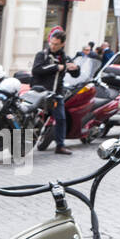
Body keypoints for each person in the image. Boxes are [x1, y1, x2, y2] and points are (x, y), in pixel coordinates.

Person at [31, 28, 79, 156]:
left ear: (62, 44)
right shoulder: (42, 55)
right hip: (40, 92)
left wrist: (75, 68)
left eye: (56, 44)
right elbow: (36, 70)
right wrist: (56, 67)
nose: (52, 46)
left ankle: (60, 145)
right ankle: (23, 142)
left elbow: (75, 74)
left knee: (61, 118)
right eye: (51, 43)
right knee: (34, 117)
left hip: (56, 93)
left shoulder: (64, 57)